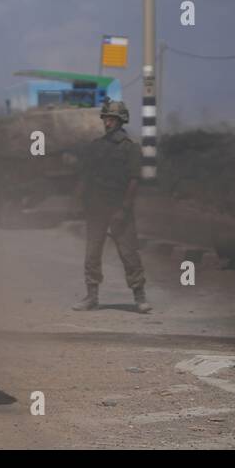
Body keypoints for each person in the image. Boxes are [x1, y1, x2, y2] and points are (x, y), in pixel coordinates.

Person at [72, 99, 151, 314]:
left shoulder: (131, 149)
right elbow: (85, 176)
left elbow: (134, 180)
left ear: (121, 120)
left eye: (112, 119)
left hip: (119, 208)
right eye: (106, 118)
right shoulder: (96, 147)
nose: (108, 123)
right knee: (92, 253)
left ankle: (139, 296)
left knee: (129, 253)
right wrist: (79, 200)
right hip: (97, 208)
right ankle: (92, 296)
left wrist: (124, 208)